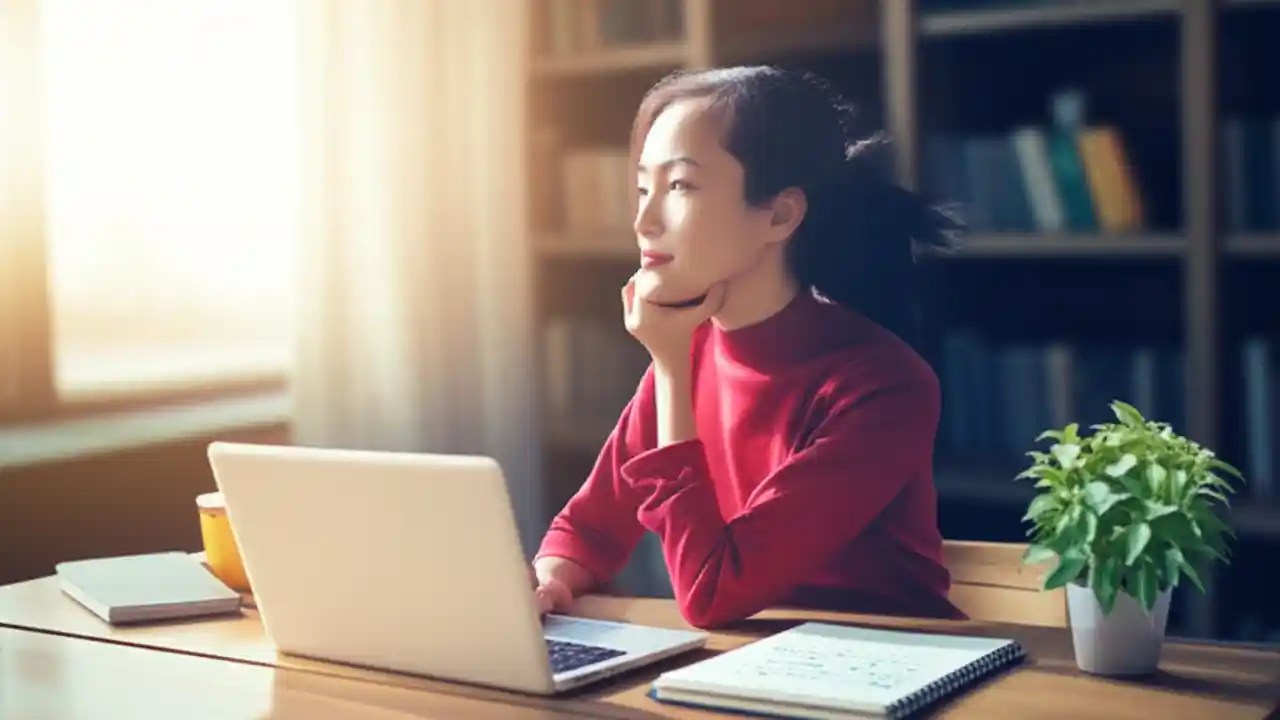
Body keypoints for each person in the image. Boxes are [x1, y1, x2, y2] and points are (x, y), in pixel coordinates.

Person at [531, 65, 965, 629]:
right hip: (745, 663)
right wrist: (548, 583)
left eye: (680, 186)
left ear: (780, 214)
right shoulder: (690, 350)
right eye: (643, 188)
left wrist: (667, 365)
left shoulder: (885, 384)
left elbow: (713, 593)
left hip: (885, 673)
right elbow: (587, 530)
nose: (643, 220)